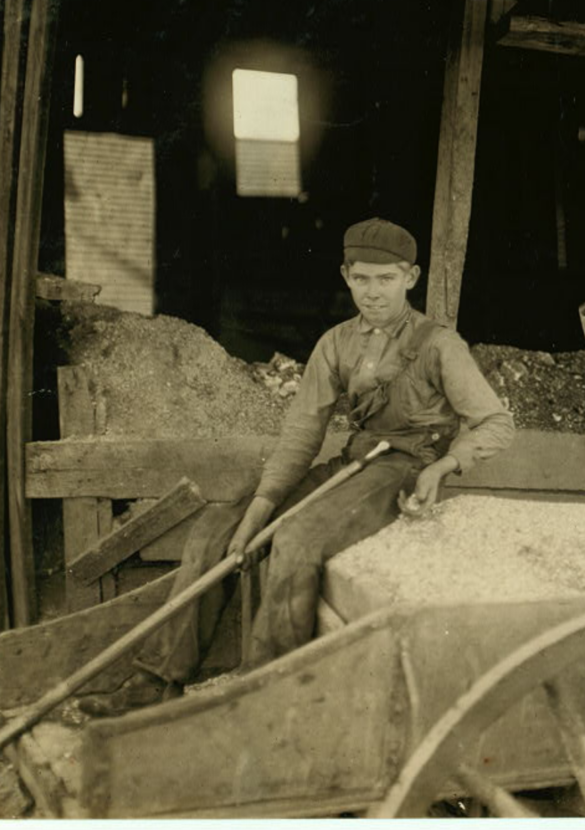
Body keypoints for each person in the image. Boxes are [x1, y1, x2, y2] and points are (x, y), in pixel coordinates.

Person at [81, 218, 515, 715]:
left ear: (410, 278)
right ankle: (156, 681)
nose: (373, 293)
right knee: (215, 529)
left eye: (386, 279)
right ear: (346, 276)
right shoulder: (336, 344)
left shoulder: (439, 345)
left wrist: (445, 467)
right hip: (355, 457)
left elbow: (495, 424)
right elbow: (302, 435)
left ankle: (264, 693)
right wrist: (259, 507)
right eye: (362, 279)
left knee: (298, 540)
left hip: (404, 466)